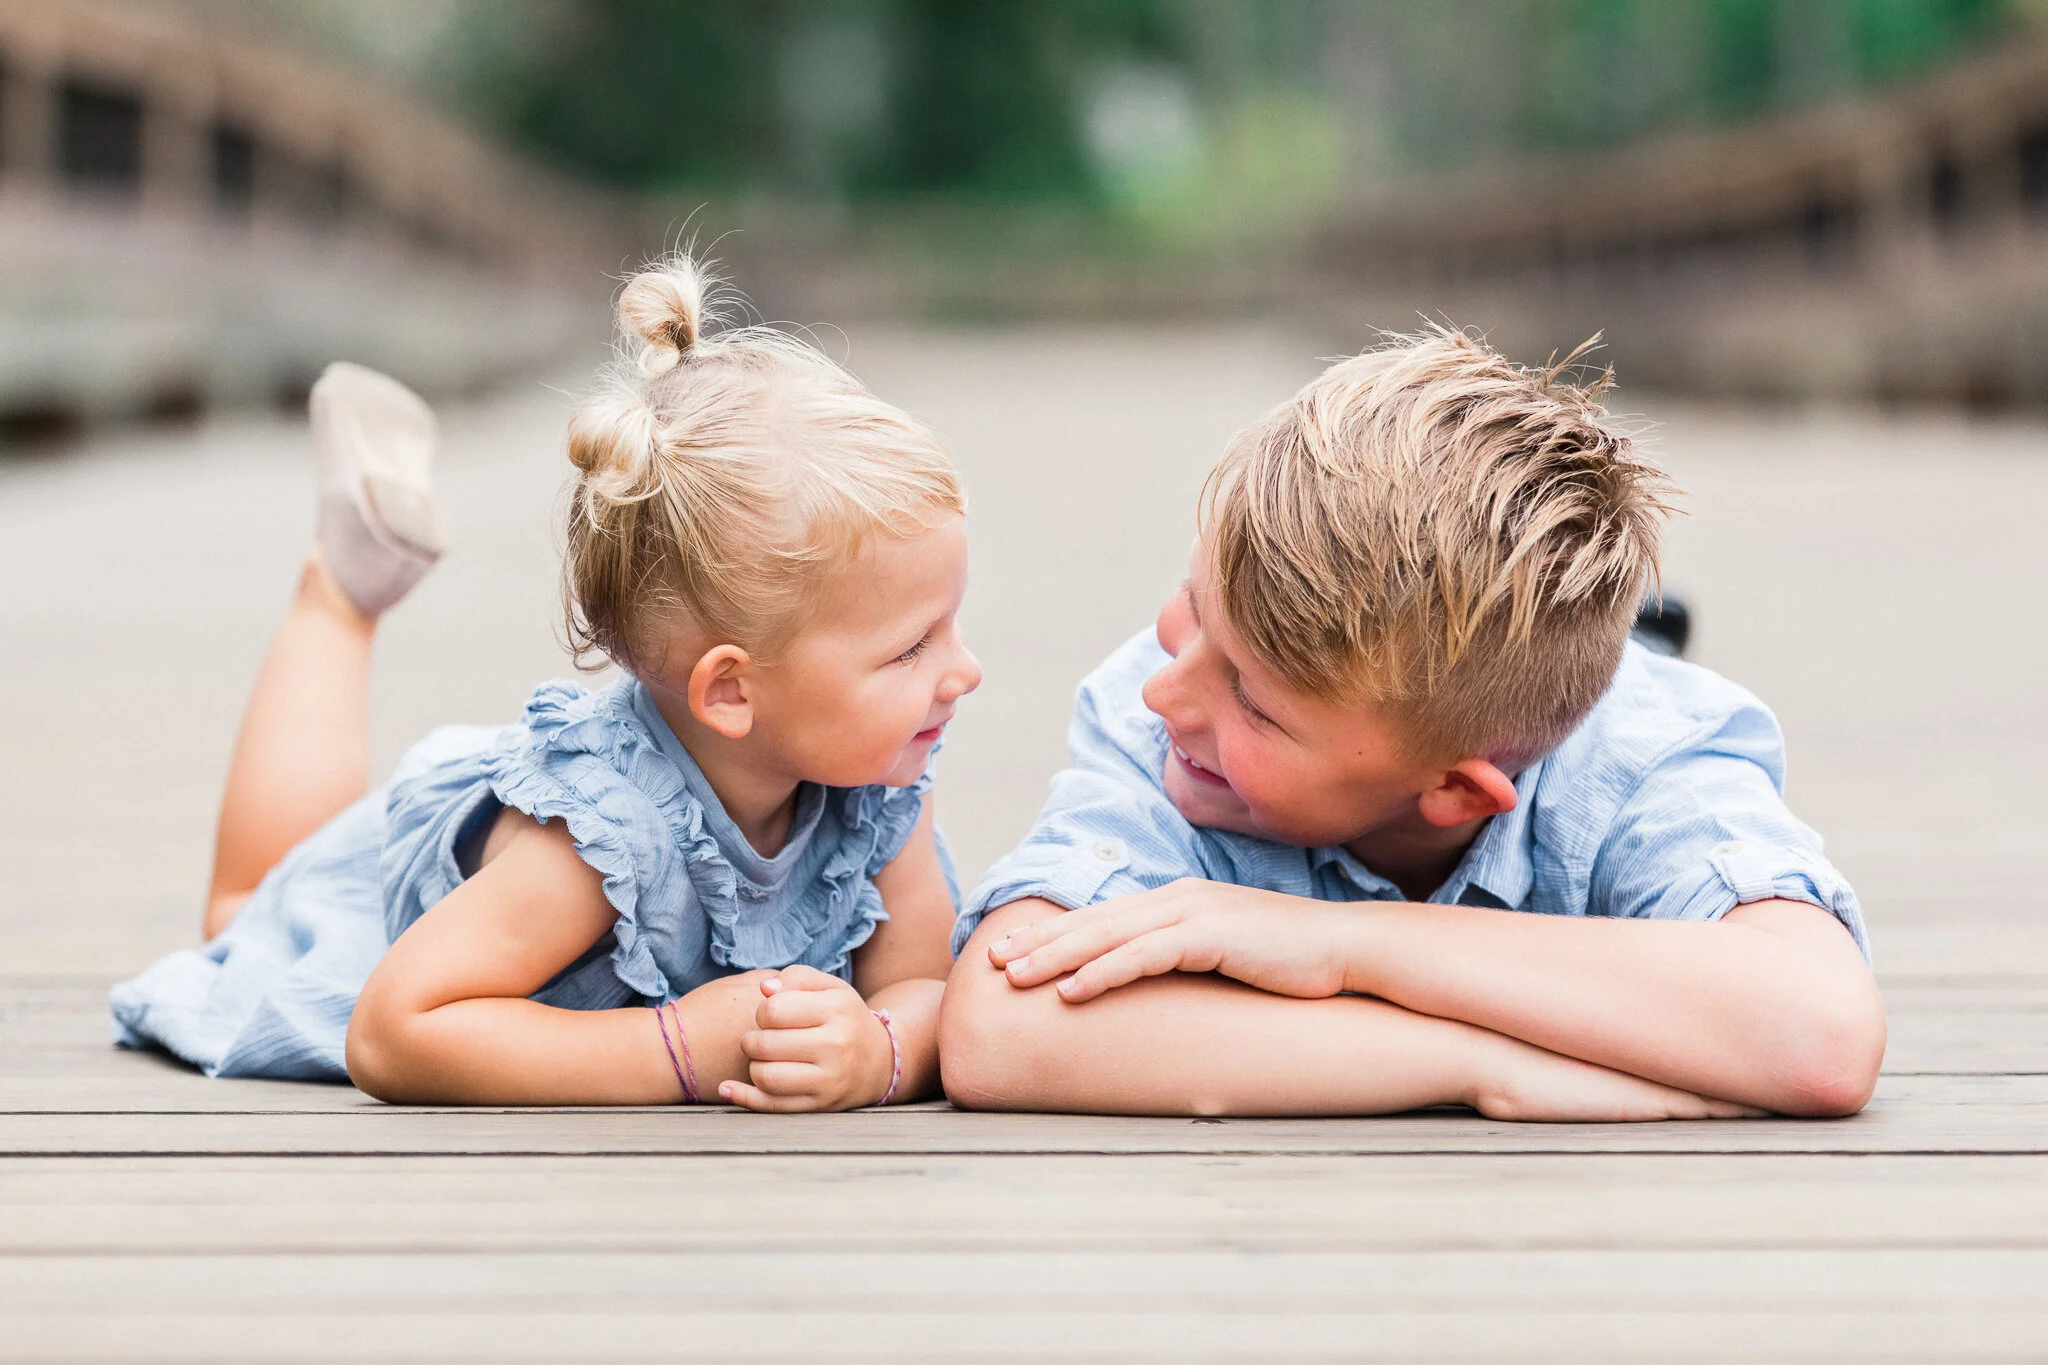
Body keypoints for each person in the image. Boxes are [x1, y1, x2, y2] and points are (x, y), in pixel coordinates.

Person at [939, 327, 1883, 1121]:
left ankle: (1630, 635)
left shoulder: (1645, 754)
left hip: (1581, 719)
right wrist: (1476, 1062)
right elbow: (996, 1029)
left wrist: (1340, 943)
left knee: (1545, 681)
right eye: (1193, 600)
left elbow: (1822, 1036)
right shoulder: (1168, 727)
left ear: (1456, 791)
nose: (1166, 695)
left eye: (1256, 702)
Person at [111, 254, 981, 1110]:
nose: (965, 671)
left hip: (512, 843)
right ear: (730, 692)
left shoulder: (882, 782)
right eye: (911, 648)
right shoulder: (598, 846)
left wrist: (882, 1049)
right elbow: (393, 1028)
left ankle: (354, 577)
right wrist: (676, 1048)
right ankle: (341, 590)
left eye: (950, 626)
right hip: (418, 902)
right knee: (246, 913)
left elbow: (926, 988)